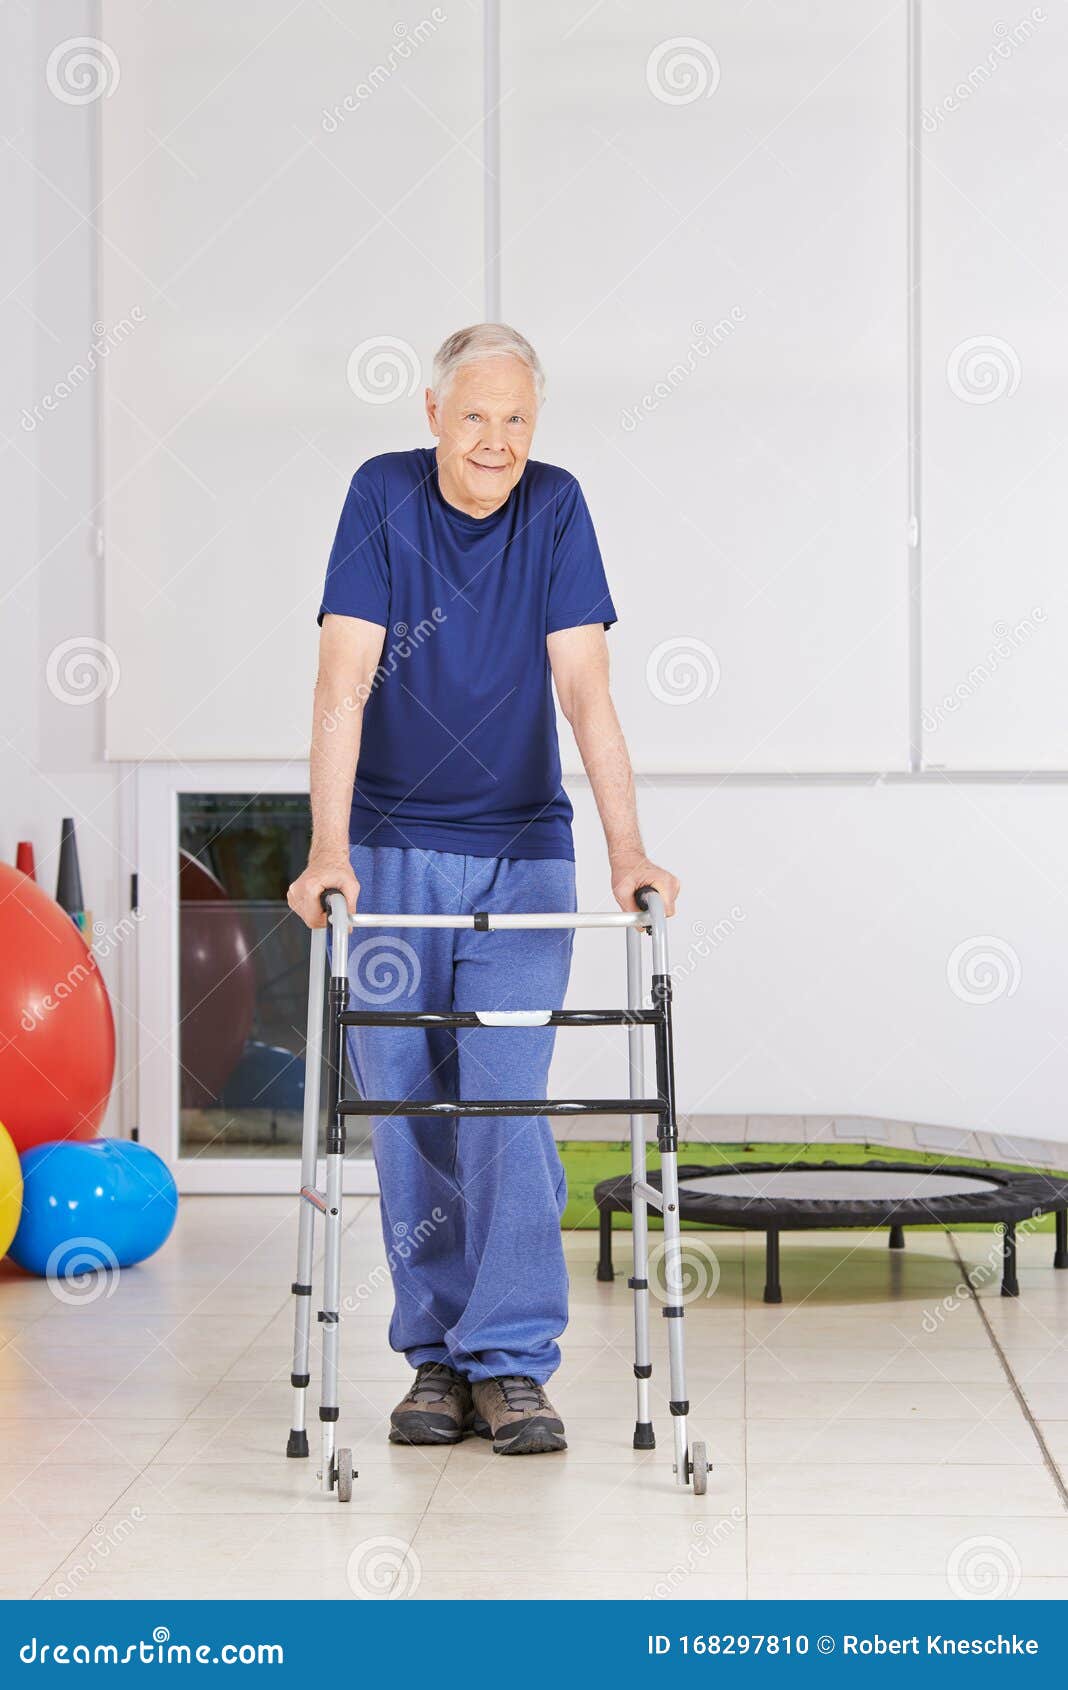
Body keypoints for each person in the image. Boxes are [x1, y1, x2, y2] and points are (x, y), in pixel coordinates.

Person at [288, 323, 679, 1456]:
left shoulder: (556, 507)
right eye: (475, 417)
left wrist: (628, 851)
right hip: (391, 854)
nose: (496, 440)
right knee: (408, 1113)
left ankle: (509, 1363)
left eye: (516, 419)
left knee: (506, 1104)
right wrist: (327, 851)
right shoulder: (381, 496)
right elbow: (342, 680)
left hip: (522, 854)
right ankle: (435, 1361)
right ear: (431, 415)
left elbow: (586, 692)